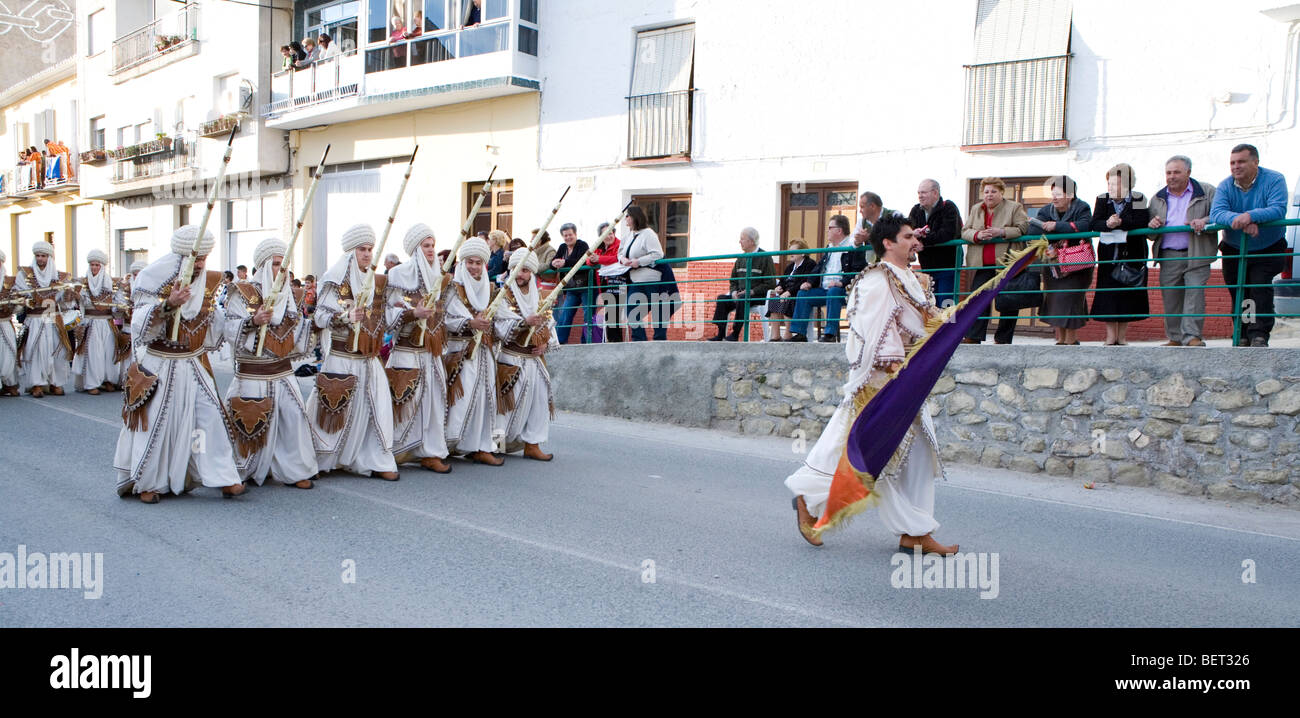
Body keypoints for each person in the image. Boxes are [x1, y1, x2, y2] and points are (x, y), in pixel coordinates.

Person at [785, 215, 956, 555]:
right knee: (852, 450)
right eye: (908, 236)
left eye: (914, 236)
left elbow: (922, 321)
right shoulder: (876, 280)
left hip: (906, 383)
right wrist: (895, 362)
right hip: (879, 384)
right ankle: (809, 497)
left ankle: (915, 532)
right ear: (888, 243)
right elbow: (869, 329)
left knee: (915, 454)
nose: (915, 242)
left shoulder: (911, 278)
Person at [113, 226, 247, 504]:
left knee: (209, 418)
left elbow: (216, 320)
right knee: (158, 423)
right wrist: (167, 304)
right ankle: (148, 482)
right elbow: (139, 323)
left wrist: (248, 324)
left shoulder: (209, 282)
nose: (199, 264)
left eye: (203, 258)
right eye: (194, 258)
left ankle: (224, 477)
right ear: (181, 254)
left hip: (192, 362)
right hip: (159, 362)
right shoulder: (153, 277)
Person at [306, 224, 402, 480]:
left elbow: (388, 315)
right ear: (351, 252)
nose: (368, 254)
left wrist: (405, 310)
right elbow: (320, 318)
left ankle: (376, 460)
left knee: (376, 409)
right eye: (362, 249)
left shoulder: (379, 283)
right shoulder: (334, 281)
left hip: (370, 358)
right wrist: (346, 317)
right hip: (342, 358)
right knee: (334, 409)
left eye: (370, 249)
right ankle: (322, 458)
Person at [221, 238, 317, 489]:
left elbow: (300, 330)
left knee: (294, 417)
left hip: (283, 372)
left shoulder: (292, 296)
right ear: (264, 266)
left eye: (285, 265)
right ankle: (245, 467)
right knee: (251, 420)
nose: (281, 270)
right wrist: (253, 321)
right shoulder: (242, 293)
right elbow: (229, 329)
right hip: (253, 374)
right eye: (276, 264)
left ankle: (295, 470)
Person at [385, 223, 453, 474]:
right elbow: (386, 312)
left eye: (433, 245)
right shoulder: (398, 275)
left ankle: (431, 452)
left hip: (431, 352)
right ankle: (397, 450)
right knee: (405, 401)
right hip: (406, 350)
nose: (431, 250)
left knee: (434, 402)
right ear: (415, 248)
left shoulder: (440, 276)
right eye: (426, 246)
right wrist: (413, 313)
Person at [1210, 143, 1290, 347]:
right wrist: (1243, 220)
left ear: (1256, 162)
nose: (1236, 166)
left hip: (1268, 246)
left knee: (1258, 288)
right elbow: (1217, 213)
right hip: (1234, 247)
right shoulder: (1226, 185)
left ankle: (1259, 334)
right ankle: (1242, 333)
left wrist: (1251, 216)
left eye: (1241, 161)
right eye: (1232, 162)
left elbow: (1278, 209)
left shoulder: (1274, 179)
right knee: (1239, 291)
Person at [442, 236, 505, 465]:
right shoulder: (451, 287)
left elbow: (499, 321)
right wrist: (469, 324)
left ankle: (481, 446)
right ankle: (449, 444)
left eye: (478, 263)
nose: (474, 267)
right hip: (460, 352)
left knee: (485, 399)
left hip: (485, 352)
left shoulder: (490, 289)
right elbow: (444, 320)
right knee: (462, 399)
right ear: (461, 263)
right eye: (470, 262)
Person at [494, 250, 559, 460]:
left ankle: (532, 444)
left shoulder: (540, 298)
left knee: (539, 402)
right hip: (510, 359)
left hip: (534, 360)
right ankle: (496, 445)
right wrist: (524, 323)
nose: (520, 274)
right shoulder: (502, 296)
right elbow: (500, 327)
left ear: (531, 272)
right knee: (505, 406)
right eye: (516, 269)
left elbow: (549, 326)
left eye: (524, 270)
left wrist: (544, 344)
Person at [1148, 155, 1218, 347]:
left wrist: (1205, 221)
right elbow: (1149, 231)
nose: (1172, 176)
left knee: (1194, 294)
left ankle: (1192, 337)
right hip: (1168, 254)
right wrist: (1152, 224)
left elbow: (1220, 215)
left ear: (1188, 172)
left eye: (1177, 172)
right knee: (1171, 297)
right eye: (1169, 172)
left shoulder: (1207, 191)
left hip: (1198, 251)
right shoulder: (1157, 198)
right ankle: (1175, 338)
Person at [960, 177, 1030, 344]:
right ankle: (974, 336)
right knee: (978, 298)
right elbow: (965, 231)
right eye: (986, 192)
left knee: (1008, 300)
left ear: (1001, 193)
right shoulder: (976, 208)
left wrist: (1001, 232)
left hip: (1007, 261)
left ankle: (1003, 339)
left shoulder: (1014, 207)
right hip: (983, 263)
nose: (989, 195)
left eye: (993, 191)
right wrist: (977, 235)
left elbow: (1023, 228)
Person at [1089, 163, 1151, 345]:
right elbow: (1094, 223)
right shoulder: (1102, 199)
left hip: (1131, 252)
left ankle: (1122, 336)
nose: (1112, 188)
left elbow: (1141, 222)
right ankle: (1110, 336)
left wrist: (1120, 222)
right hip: (1109, 253)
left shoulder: (1139, 198)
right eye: (1110, 184)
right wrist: (1107, 224)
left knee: (1127, 292)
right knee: (1108, 292)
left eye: (1116, 184)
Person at [1032, 176, 1093, 346]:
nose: (1054, 198)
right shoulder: (1046, 210)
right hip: (1053, 263)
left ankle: (1071, 340)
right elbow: (1033, 229)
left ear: (1070, 195)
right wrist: (1051, 230)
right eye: (1053, 194)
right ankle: (1060, 339)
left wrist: (1056, 227)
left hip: (1077, 264)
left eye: (1058, 194)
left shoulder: (1082, 207)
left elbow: (1085, 226)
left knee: (1071, 298)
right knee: (1055, 299)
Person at [787, 214, 867, 342]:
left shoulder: (853, 246)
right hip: (823, 290)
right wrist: (809, 282)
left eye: (830, 227)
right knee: (803, 293)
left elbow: (859, 270)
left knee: (833, 292)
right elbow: (818, 268)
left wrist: (841, 282)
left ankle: (830, 334)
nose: (827, 231)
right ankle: (800, 333)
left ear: (839, 230)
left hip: (844, 290)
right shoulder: (829, 248)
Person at [14, 241, 73, 397]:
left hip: (54, 319)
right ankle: (37, 384)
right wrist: (25, 301)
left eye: (44, 256)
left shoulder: (60, 277)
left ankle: (55, 383)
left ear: (49, 257)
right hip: (34, 319)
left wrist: (69, 295)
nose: (40, 259)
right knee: (35, 351)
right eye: (38, 256)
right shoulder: (24, 275)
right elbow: (18, 296)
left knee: (56, 351)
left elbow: (65, 303)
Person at [72, 249, 124, 394]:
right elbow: (76, 303)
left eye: (97, 265)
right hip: (91, 323)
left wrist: (120, 309)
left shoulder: (112, 284)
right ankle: (92, 383)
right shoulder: (82, 284)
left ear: (102, 266)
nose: (94, 268)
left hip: (107, 323)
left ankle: (108, 380)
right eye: (92, 265)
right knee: (93, 353)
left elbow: (118, 306)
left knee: (109, 352)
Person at [709, 227, 775, 341]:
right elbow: (733, 280)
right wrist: (734, 292)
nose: (739, 242)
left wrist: (752, 291)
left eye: (742, 239)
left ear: (751, 241)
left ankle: (735, 333)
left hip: (758, 296)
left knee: (743, 298)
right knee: (722, 299)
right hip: (741, 296)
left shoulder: (765, 257)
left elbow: (770, 283)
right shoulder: (740, 258)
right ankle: (720, 333)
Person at [907, 179, 962, 306]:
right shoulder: (916, 210)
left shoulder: (949, 207)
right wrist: (915, 238)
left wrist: (923, 241)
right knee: (931, 304)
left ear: (935, 193)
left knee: (946, 303)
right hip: (926, 267)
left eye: (924, 192)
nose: (920, 196)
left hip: (948, 265)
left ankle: (949, 326)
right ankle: (935, 327)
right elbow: (908, 231)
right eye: (919, 193)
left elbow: (947, 234)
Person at [619, 206, 668, 341]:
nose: (625, 219)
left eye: (628, 216)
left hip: (650, 278)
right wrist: (622, 259)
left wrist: (639, 261)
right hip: (635, 279)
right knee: (631, 310)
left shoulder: (648, 233)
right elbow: (620, 252)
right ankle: (639, 340)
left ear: (635, 217)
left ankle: (659, 340)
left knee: (657, 310)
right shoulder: (629, 235)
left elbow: (658, 254)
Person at [764, 239, 818, 342]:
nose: (790, 253)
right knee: (774, 299)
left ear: (802, 253)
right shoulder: (790, 267)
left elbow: (804, 282)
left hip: (798, 293)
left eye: (793, 250)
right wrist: (779, 287)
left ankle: (788, 334)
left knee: (788, 300)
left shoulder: (809, 264)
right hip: (786, 293)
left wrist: (788, 292)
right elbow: (783, 281)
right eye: (790, 250)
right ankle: (775, 336)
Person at [549, 222, 591, 344]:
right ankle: (559, 342)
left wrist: (564, 263)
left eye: (570, 235)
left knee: (588, 315)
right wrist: (554, 263)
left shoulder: (582, 245)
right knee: (565, 315)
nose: (568, 238)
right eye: (565, 235)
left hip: (585, 286)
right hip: (571, 287)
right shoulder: (562, 247)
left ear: (575, 234)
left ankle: (587, 342)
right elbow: (553, 262)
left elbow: (584, 261)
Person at [587, 222, 622, 342]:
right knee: (610, 317)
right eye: (606, 234)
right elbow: (588, 259)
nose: (609, 236)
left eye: (611, 233)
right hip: (604, 286)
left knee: (613, 316)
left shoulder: (620, 244)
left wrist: (599, 259)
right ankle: (612, 343)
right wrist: (592, 261)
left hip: (618, 285)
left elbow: (618, 258)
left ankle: (615, 344)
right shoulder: (599, 247)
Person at [0, 250, 18, 396]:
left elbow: (19, 306)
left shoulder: (11, 283)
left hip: (5, 323)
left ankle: (10, 384)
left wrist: (13, 305)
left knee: (8, 353)